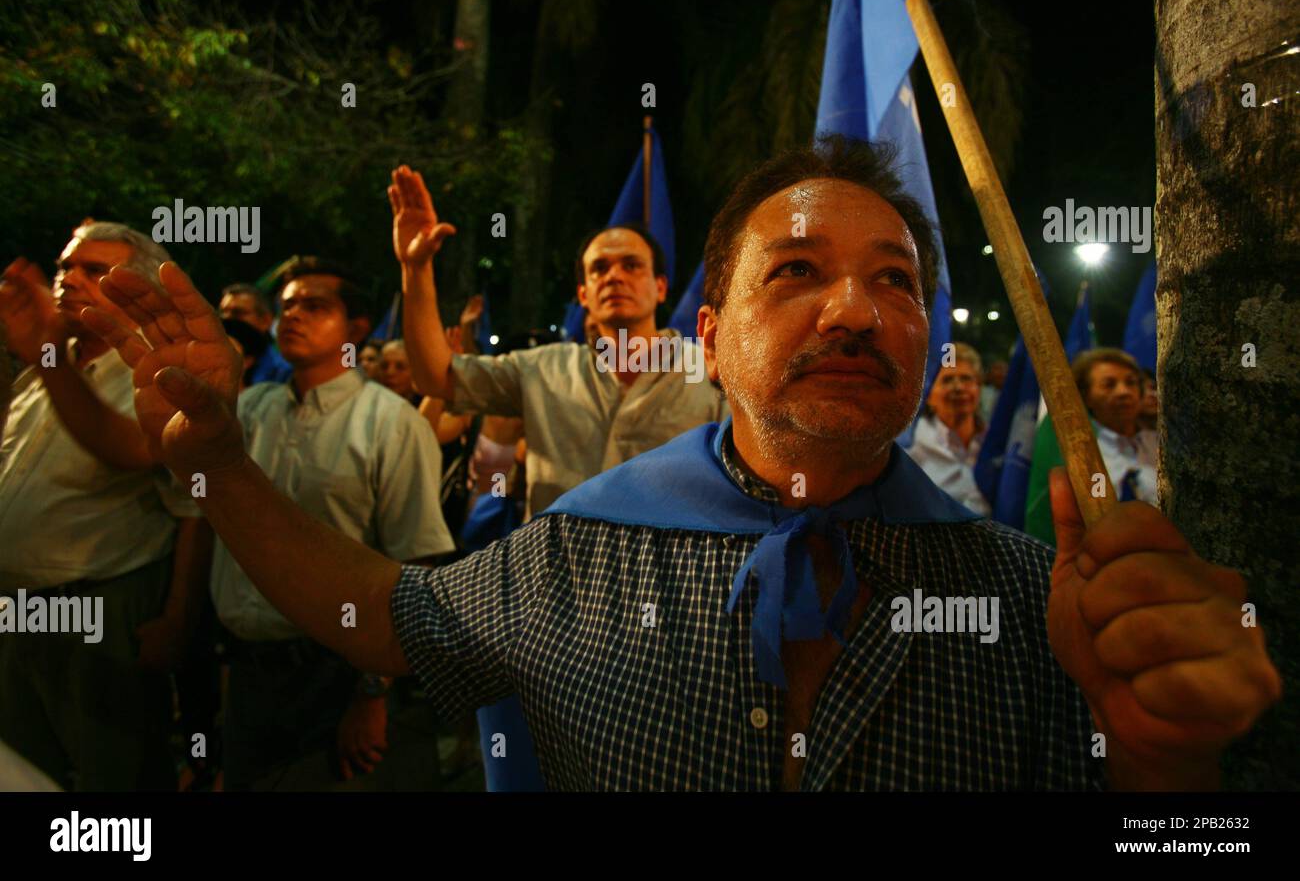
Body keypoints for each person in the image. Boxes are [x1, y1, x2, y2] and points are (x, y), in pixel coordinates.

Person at [88, 136, 1280, 791]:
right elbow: (382, 618)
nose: (856, 311)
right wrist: (226, 470)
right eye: (797, 272)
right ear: (708, 338)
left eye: (897, 281)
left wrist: (1165, 763)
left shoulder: (1045, 612)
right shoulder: (574, 553)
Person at [204, 256, 456, 789]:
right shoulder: (250, 410)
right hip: (247, 672)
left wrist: (371, 695)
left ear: (356, 329)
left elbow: (415, 565)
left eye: (315, 306)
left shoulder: (391, 423)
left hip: (336, 672)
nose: (292, 316)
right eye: (287, 306)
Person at [389, 167, 728, 519]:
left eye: (631, 265)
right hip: (555, 571)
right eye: (599, 268)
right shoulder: (540, 368)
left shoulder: (710, 370)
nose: (614, 276)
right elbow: (434, 377)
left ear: (660, 287)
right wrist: (416, 268)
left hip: (673, 571)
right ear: (584, 294)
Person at [0, 222, 206, 790]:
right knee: (24, 774)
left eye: (95, 271)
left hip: (100, 607)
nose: (70, 280)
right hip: (17, 608)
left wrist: (177, 617)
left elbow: (146, 467)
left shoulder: (162, 373)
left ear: (141, 293)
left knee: (113, 781)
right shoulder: (42, 369)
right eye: (66, 266)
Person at [1024, 348, 1160, 546]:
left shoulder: (1158, 445)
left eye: (1131, 382)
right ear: (1086, 397)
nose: (1124, 392)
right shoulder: (1080, 453)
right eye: (1109, 385)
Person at [905, 342, 989, 515]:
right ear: (928, 396)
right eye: (947, 380)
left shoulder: (998, 443)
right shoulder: (910, 448)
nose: (958, 388)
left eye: (966, 379)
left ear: (979, 388)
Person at [219, 282, 292, 384]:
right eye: (223, 312)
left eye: (238, 313)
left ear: (265, 321)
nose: (227, 319)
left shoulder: (282, 372)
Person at [979, 357, 1007, 423]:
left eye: (1003, 369)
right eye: (997, 369)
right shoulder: (981, 393)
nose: (1001, 373)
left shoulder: (1014, 395)